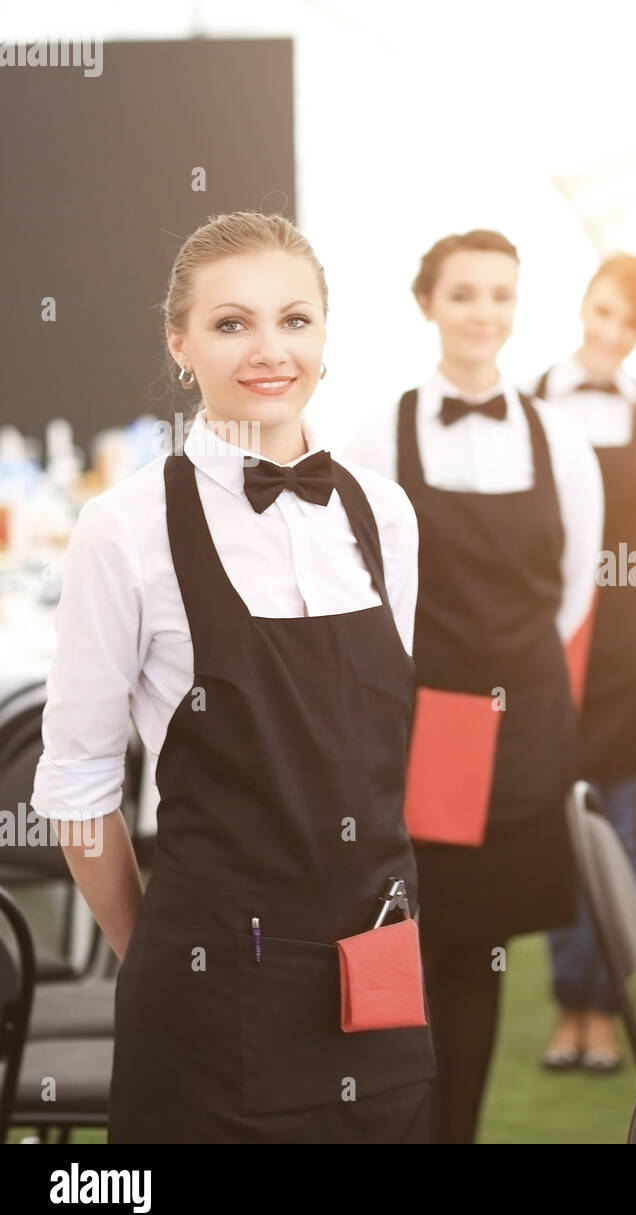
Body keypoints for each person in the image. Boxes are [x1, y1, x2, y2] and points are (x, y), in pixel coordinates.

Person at [32, 210, 436, 1143]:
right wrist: (164, 956)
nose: (269, 349)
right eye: (231, 323)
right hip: (206, 1006)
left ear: (325, 338)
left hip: (378, 976)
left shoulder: (387, 515)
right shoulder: (125, 528)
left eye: (294, 320)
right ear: (180, 344)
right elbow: (78, 786)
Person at [344, 229, 603, 1142]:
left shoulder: (563, 440)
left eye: (500, 295)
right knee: (420, 939)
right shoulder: (379, 433)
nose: (483, 313)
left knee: (483, 949)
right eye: (463, 295)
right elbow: (357, 586)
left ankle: (456, 1133)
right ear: (427, 305)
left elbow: (574, 590)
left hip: (522, 717)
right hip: (429, 723)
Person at [532, 254, 636, 1073]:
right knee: (564, 819)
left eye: (629, 322)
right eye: (602, 312)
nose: (609, 333)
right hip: (554, 633)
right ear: (583, 307)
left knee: (627, 824)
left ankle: (607, 1003)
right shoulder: (529, 403)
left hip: (629, 636)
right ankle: (570, 1004)